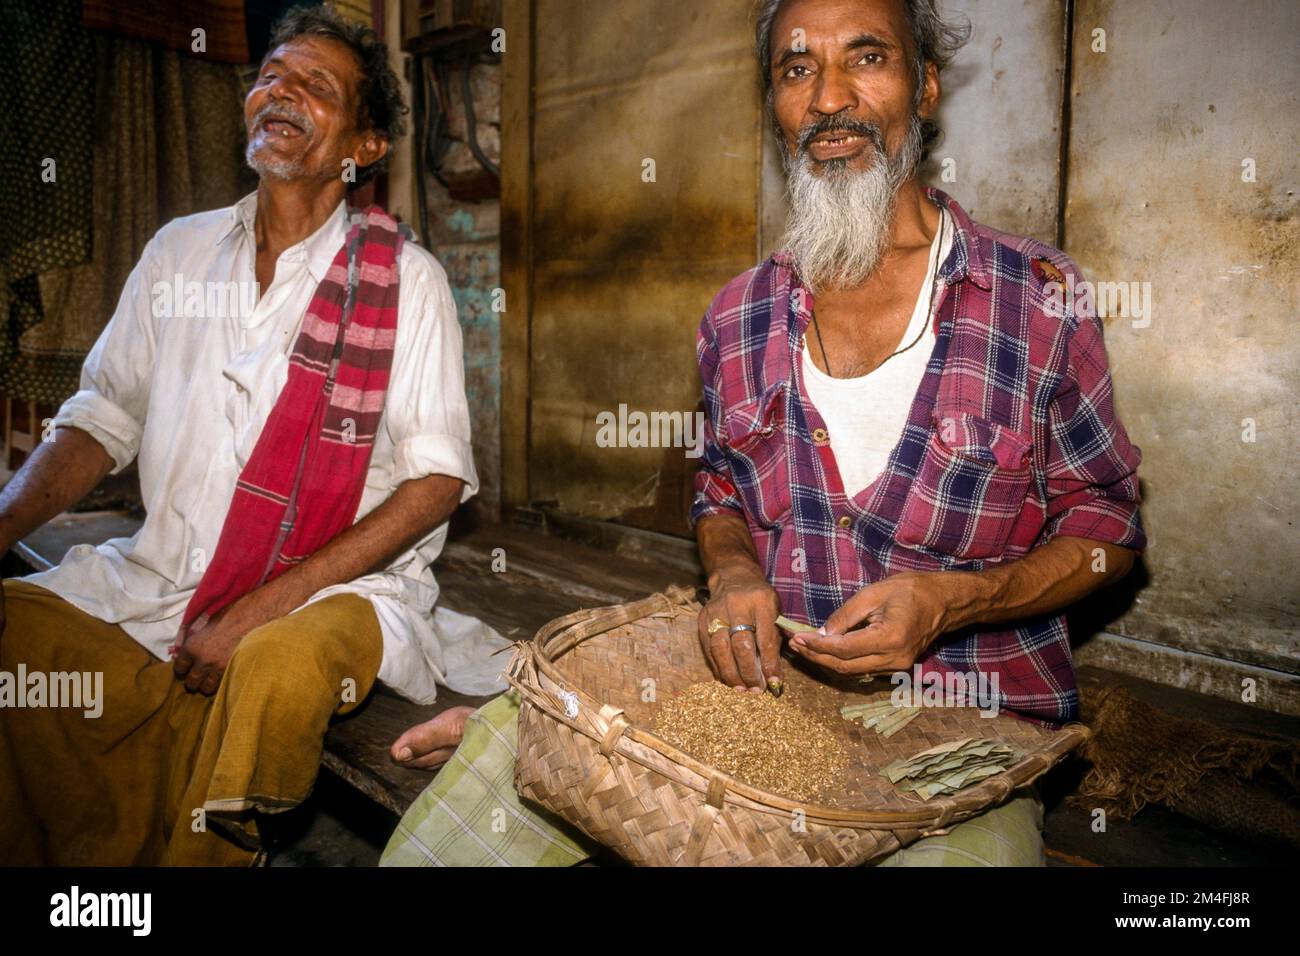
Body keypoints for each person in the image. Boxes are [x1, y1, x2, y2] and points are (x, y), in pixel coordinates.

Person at [383, 0, 1144, 867]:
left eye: (866, 59)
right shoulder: (738, 317)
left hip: (961, 729)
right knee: (491, 793)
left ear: (925, 86)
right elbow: (718, 494)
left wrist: (952, 601)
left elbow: (1108, 533)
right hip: (766, 690)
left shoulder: (1038, 298)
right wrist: (736, 571)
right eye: (795, 68)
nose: (827, 97)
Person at [0, 6, 486, 865]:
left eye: (317, 86)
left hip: (338, 594)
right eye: (271, 75)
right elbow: (103, 418)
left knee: (276, 668)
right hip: (163, 581)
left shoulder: (406, 283)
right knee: (15, 638)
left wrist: (259, 607)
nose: (281, 92)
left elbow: (435, 485)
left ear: (365, 147)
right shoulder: (178, 254)